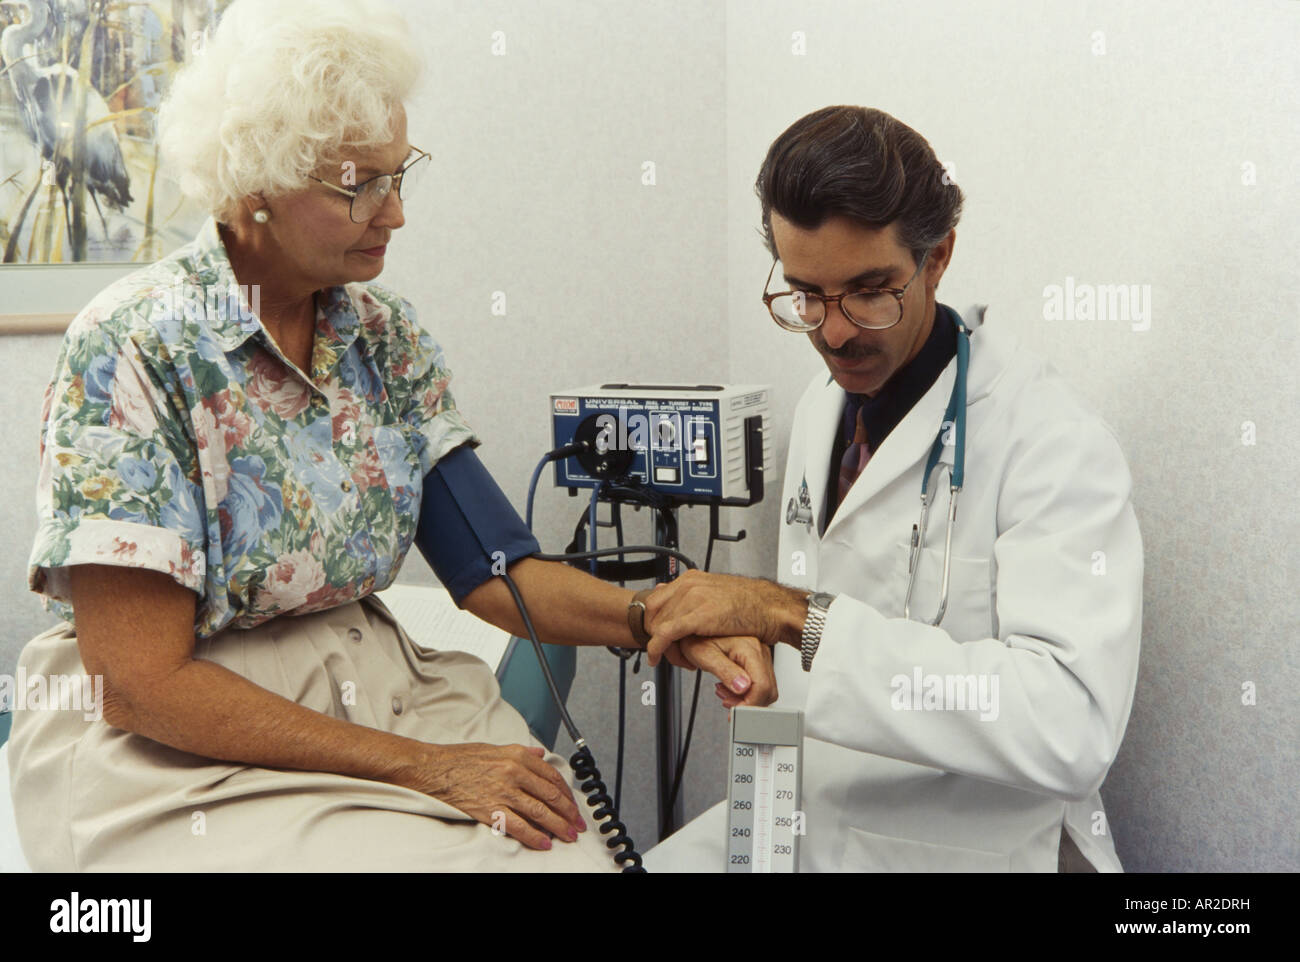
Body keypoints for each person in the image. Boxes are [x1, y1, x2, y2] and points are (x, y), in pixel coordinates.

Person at [7, 0, 774, 872]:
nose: (395, 213)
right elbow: (141, 683)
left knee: (562, 852)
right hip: (185, 739)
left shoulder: (385, 338)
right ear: (255, 185)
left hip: (376, 687)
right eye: (356, 185)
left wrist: (659, 620)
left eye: (398, 174)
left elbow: (501, 576)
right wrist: (431, 771)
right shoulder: (134, 345)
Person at [640, 106, 1143, 873]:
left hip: (974, 850)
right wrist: (765, 650)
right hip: (814, 825)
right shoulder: (824, 406)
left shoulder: (1050, 440)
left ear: (937, 258)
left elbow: (1071, 728)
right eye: (806, 294)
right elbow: (820, 662)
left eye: (870, 291)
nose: (834, 332)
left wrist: (788, 614)